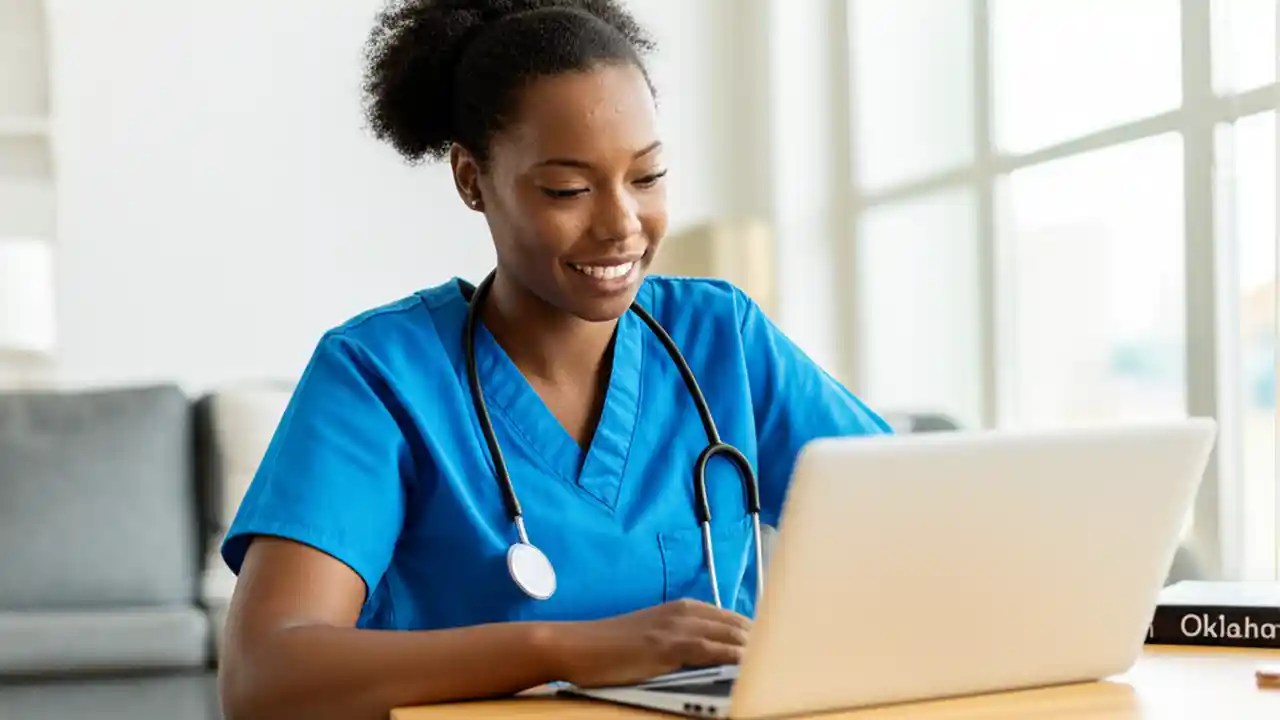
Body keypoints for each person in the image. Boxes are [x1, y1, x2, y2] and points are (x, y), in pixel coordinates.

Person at [216, 1, 890, 718]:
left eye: (647, 177)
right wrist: (561, 648)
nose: (622, 225)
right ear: (472, 180)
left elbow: (915, 524)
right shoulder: (380, 374)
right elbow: (265, 676)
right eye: (568, 189)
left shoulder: (722, 337)